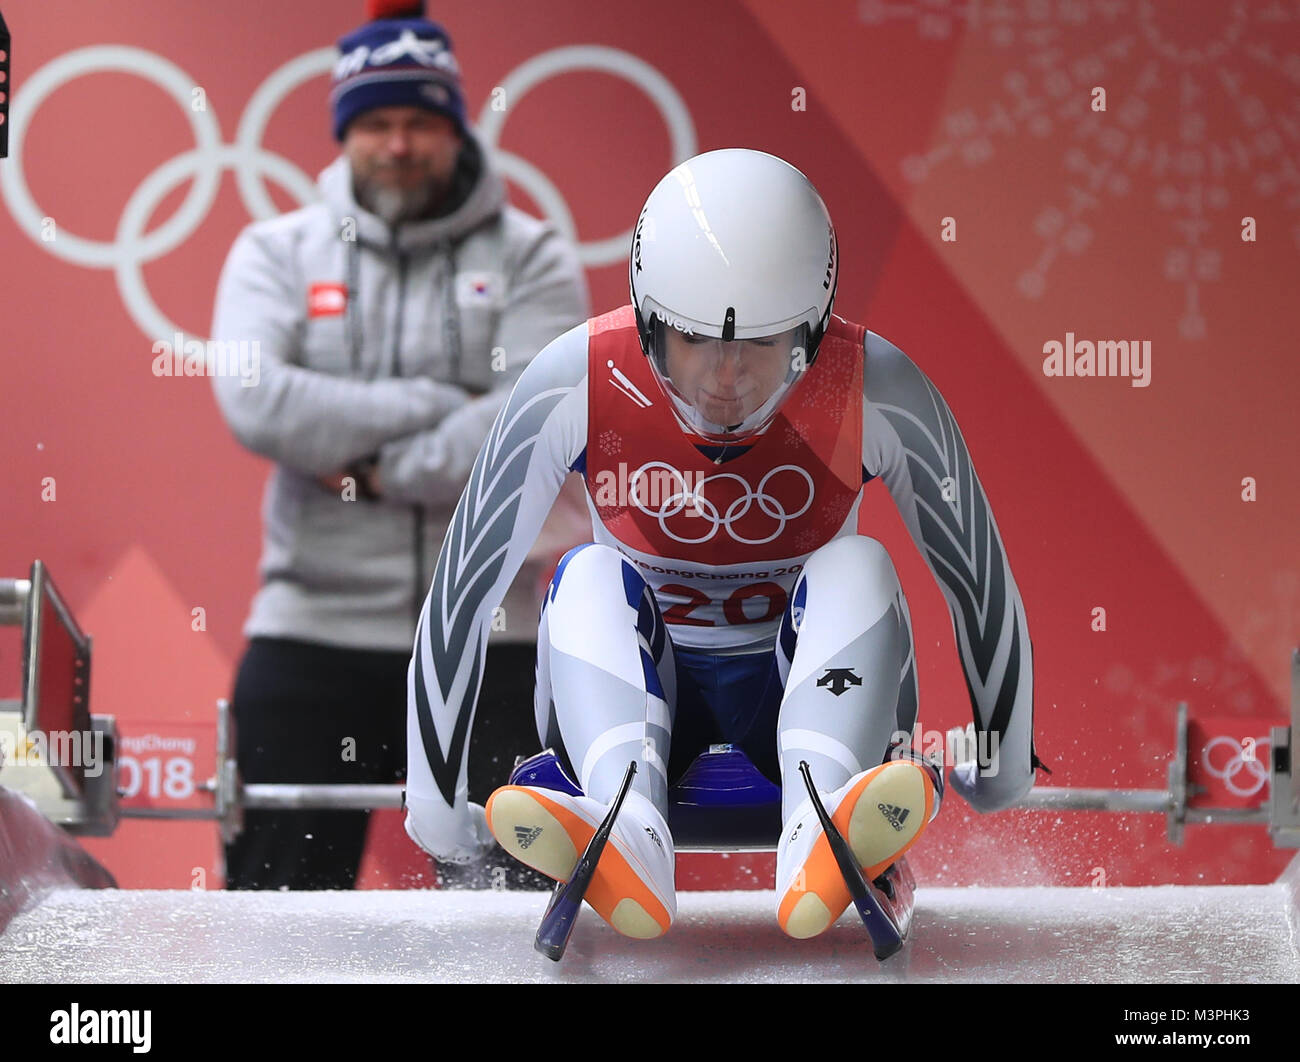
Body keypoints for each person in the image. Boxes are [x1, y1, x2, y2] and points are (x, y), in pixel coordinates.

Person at [404, 148, 1042, 939]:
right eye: (693, 339)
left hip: (805, 691)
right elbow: (464, 591)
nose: (726, 378)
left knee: (859, 565)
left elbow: (976, 578)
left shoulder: (876, 383)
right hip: (632, 697)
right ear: (647, 321)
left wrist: (1004, 751)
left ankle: (821, 812)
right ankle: (625, 817)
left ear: (813, 328)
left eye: (762, 344)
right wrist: (433, 796)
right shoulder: (575, 376)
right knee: (588, 572)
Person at [210, 0, 588, 891]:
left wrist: (379, 472)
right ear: (344, 134)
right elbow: (256, 401)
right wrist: (433, 402)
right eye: (375, 123)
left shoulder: (534, 254)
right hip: (314, 627)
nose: (398, 144)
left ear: (455, 129)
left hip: (497, 632)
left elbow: (535, 419)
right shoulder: (273, 253)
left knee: (516, 923)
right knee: (275, 922)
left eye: (420, 122)